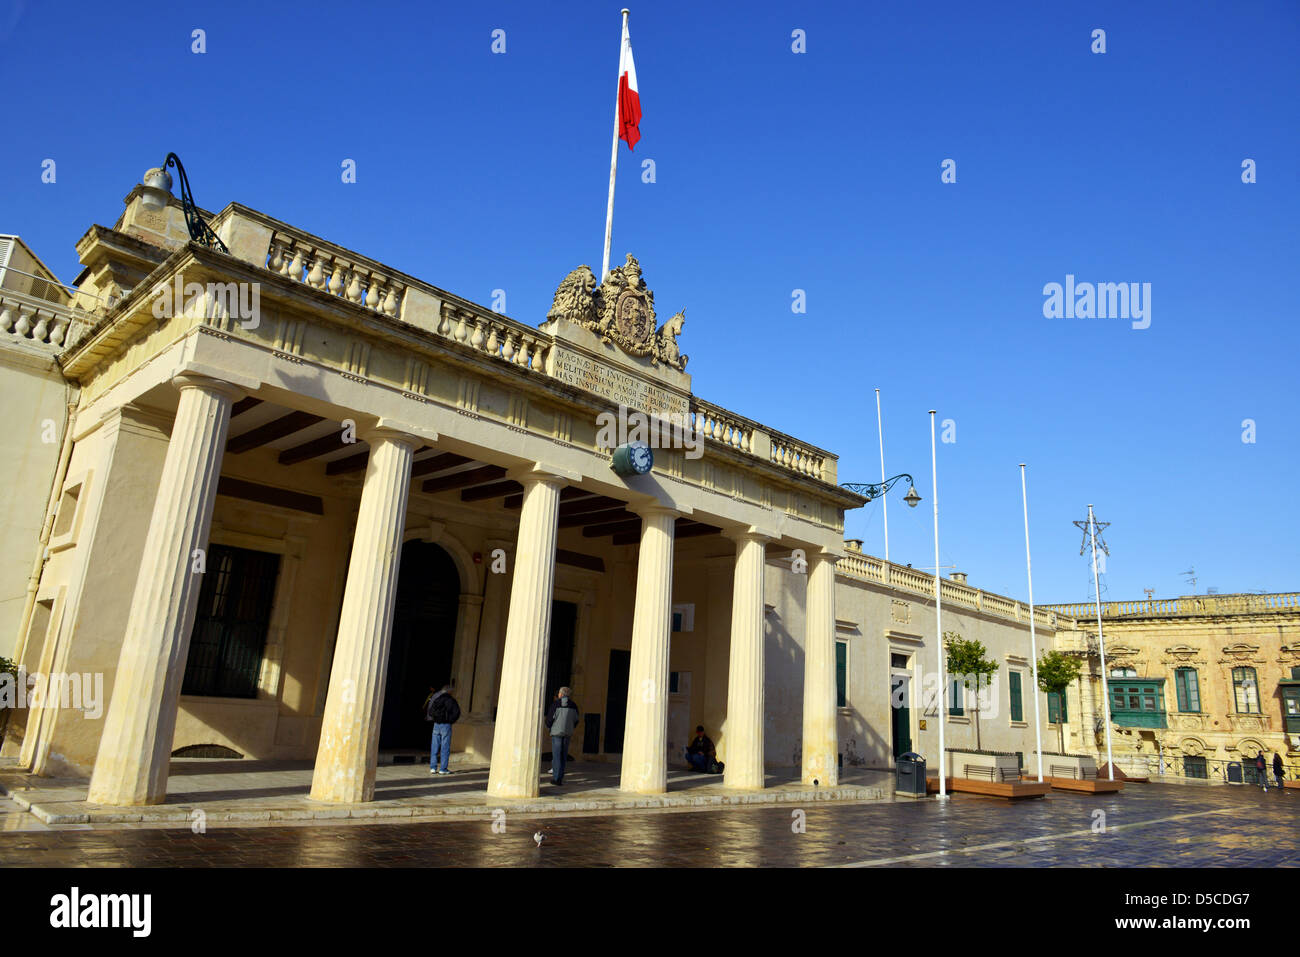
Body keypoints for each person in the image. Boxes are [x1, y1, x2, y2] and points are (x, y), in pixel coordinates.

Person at [545, 687, 580, 786]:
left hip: (556, 733)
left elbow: (549, 719)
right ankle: (560, 777)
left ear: (561, 694)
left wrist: (549, 727)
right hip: (567, 733)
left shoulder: (555, 704)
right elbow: (576, 719)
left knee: (556, 756)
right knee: (563, 756)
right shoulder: (573, 705)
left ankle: (556, 778)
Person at [424, 684, 460, 775]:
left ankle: (433, 767)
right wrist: (450, 720)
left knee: (434, 746)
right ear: (450, 692)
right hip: (446, 725)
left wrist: (436, 718)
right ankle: (443, 768)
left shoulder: (437, 699)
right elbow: (456, 713)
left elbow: (431, 711)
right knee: (445, 747)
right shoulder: (451, 701)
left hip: (436, 724)